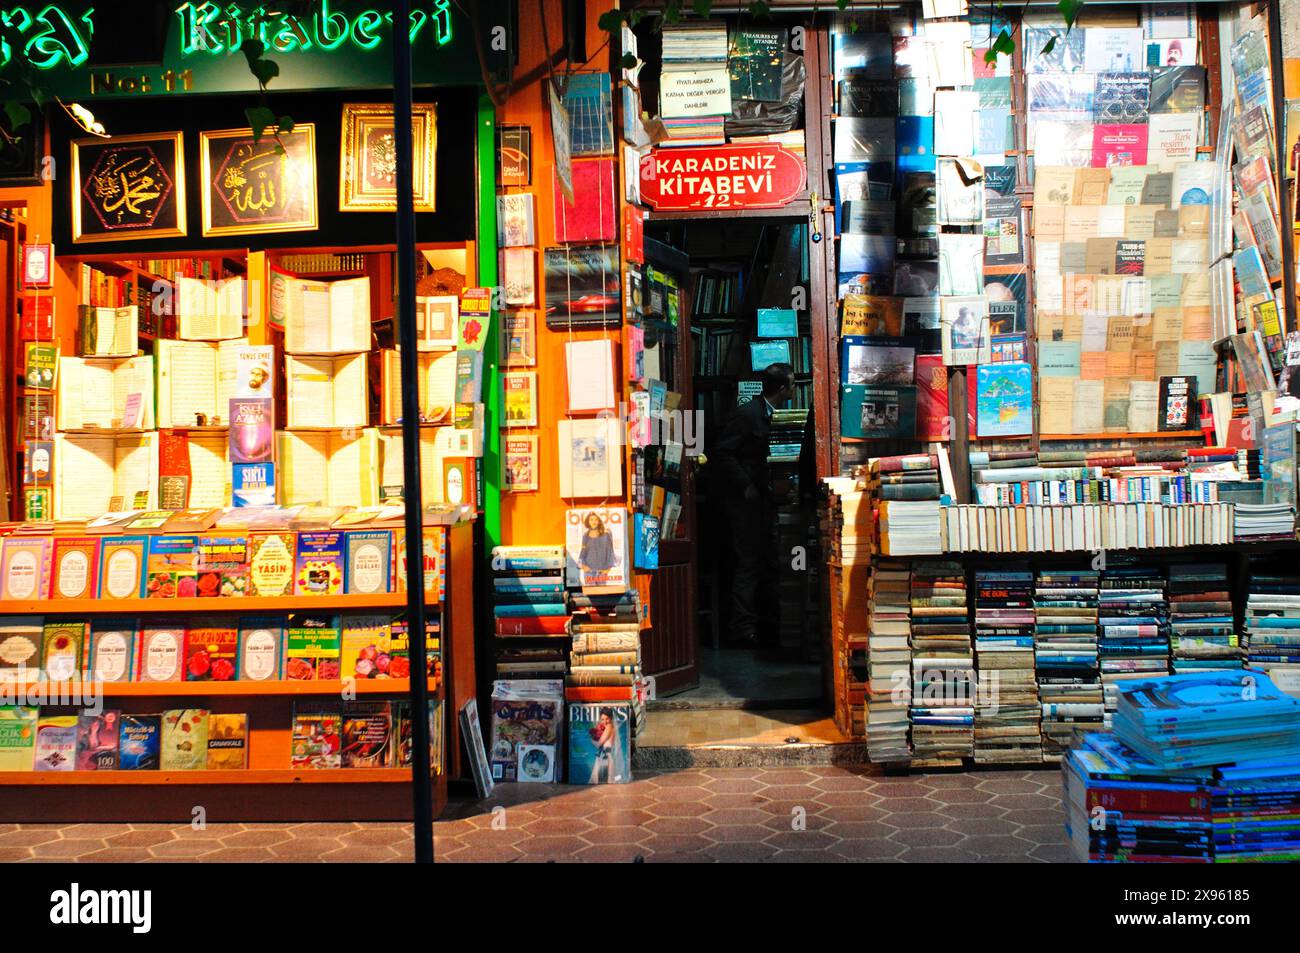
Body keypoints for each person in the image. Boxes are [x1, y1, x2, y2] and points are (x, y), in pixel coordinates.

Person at [710, 362, 795, 644]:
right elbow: (723, 452)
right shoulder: (748, 414)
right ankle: (743, 629)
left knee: (768, 560)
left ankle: (769, 625)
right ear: (783, 389)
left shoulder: (773, 414)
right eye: (793, 384)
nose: (795, 389)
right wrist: (745, 485)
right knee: (748, 562)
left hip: (764, 499)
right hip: (744, 502)